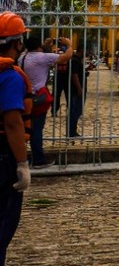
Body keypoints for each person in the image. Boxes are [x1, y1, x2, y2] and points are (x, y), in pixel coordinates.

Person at [0, 11, 32, 266]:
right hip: (3, 157)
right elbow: (13, 122)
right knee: (4, 220)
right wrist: (22, 164)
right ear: (18, 43)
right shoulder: (9, 77)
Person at [17, 35, 72, 168]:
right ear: (38, 46)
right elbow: (66, 57)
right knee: (37, 130)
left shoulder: (22, 57)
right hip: (39, 98)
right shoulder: (42, 57)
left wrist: (46, 46)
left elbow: (41, 59)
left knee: (26, 128)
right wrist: (69, 45)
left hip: (25, 98)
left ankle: (22, 158)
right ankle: (38, 159)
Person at [64, 50, 87, 138]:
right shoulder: (75, 60)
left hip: (76, 89)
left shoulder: (75, 60)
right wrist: (79, 89)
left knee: (76, 111)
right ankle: (71, 131)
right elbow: (74, 75)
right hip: (75, 90)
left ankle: (73, 130)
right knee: (75, 111)